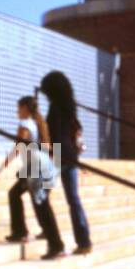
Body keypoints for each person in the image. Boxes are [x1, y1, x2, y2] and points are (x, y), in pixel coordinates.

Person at [0, 95, 65, 259]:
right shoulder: (38, 123)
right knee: (17, 195)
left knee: (42, 208)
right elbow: (47, 148)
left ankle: (56, 246)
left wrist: (1, 167)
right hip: (42, 168)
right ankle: (20, 232)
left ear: (25, 108)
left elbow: (18, 148)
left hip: (36, 170)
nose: (16, 112)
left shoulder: (25, 124)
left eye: (18, 108)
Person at [39, 70, 92, 255]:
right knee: (73, 199)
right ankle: (84, 241)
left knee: (40, 196)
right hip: (70, 155)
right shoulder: (69, 107)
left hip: (59, 155)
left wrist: (51, 154)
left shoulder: (55, 109)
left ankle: (50, 234)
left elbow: (55, 134)